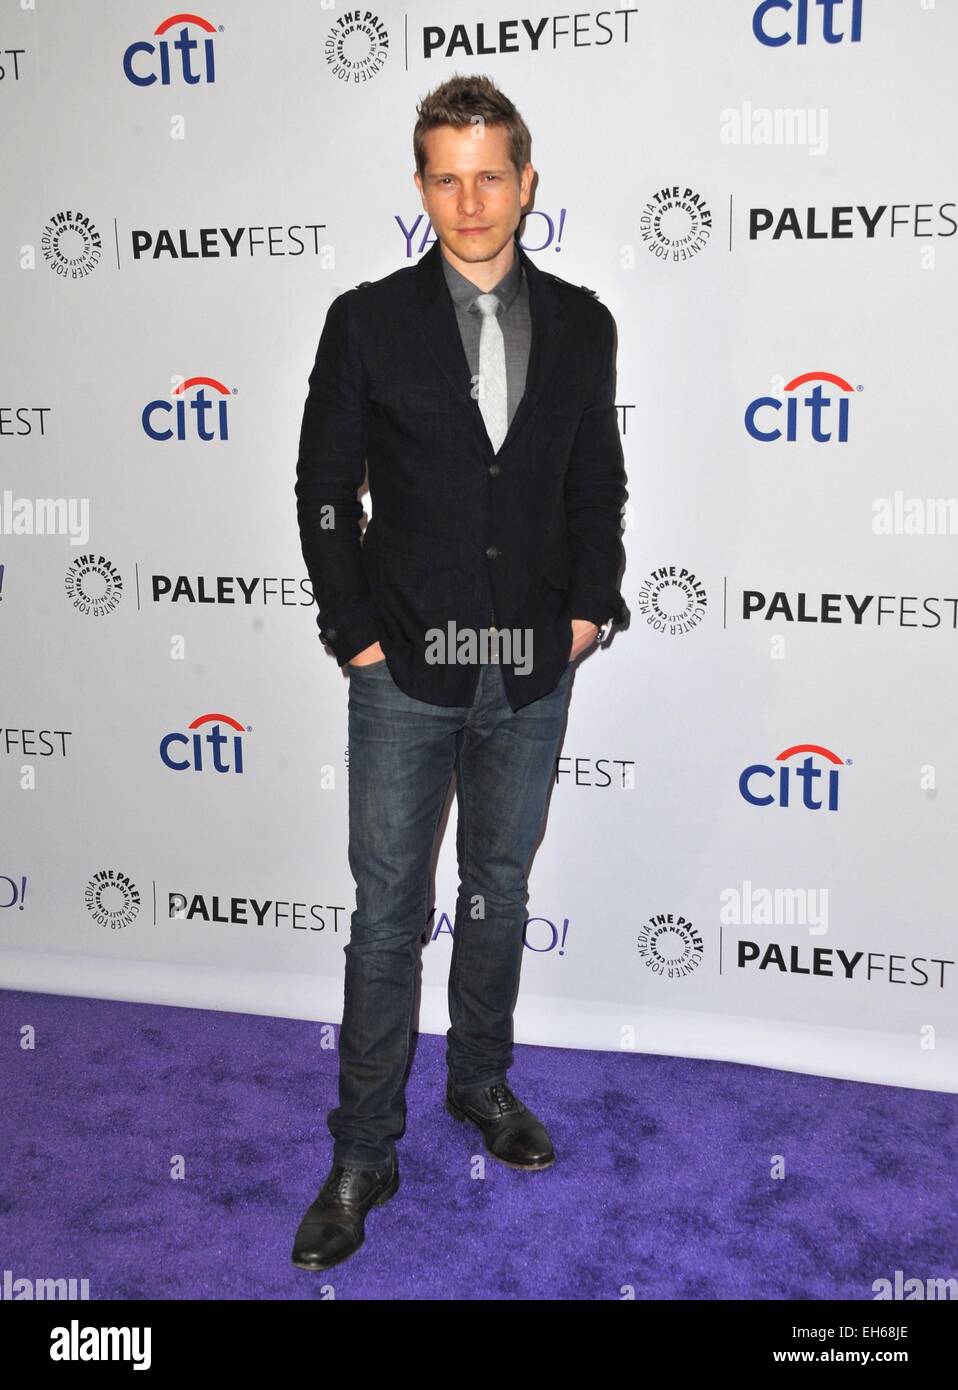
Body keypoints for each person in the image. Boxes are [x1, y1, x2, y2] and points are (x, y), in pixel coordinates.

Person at [291, 73, 627, 1273]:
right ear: (421, 185)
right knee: (387, 916)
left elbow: (597, 483)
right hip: (404, 667)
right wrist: (356, 633)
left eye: (492, 174)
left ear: (527, 183)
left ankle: (479, 1084)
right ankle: (362, 1150)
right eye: (447, 175)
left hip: (530, 664)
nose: (471, 199)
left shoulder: (584, 322)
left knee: (497, 889)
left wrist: (588, 611)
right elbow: (324, 491)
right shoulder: (367, 318)